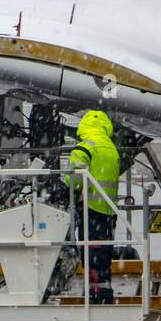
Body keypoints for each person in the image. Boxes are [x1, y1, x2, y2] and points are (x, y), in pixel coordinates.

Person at [68, 110, 120, 303]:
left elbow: (74, 178)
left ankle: (94, 295)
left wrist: (64, 186)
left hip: (91, 209)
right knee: (103, 255)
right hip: (108, 210)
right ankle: (104, 291)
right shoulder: (110, 147)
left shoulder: (85, 147)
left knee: (90, 254)